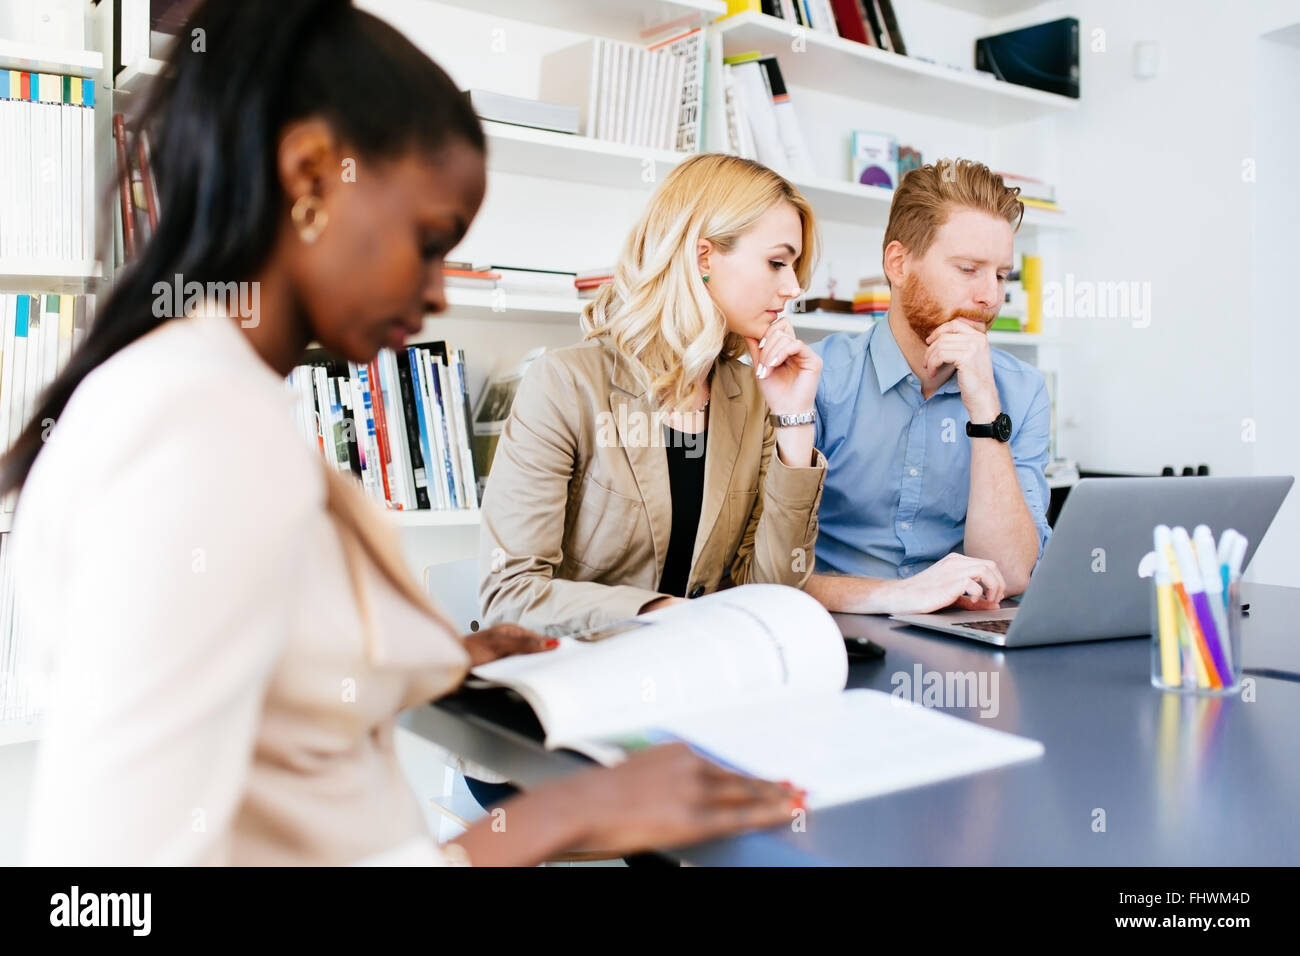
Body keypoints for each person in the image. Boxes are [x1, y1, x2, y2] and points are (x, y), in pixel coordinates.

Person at [2, 0, 800, 866]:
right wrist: (553, 821)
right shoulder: (189, 433)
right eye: (428, 242)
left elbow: (259, 681)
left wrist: (432, 661)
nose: (437, 293)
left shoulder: (214, 393)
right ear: (311, 178)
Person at [479, 153, 828, 635]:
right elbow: (510, 594)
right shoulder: (566, 384)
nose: (793, 287)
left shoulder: (752, 398)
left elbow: (773, 593)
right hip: (585, 676)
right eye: (776, 263)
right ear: (703, 257)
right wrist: (669, 617)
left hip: (703, 676)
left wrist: (794, 421)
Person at [804, 159, 1052, 616]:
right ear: (898, 264)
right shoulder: (817, 378)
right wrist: (896, 597)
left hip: (963, 639)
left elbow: (1010, 572)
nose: (990, 297)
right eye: (967, 269)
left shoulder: (1020, 390)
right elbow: (767, 572)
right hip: (839, 635)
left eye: (1000, 276)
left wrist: (984, 411)